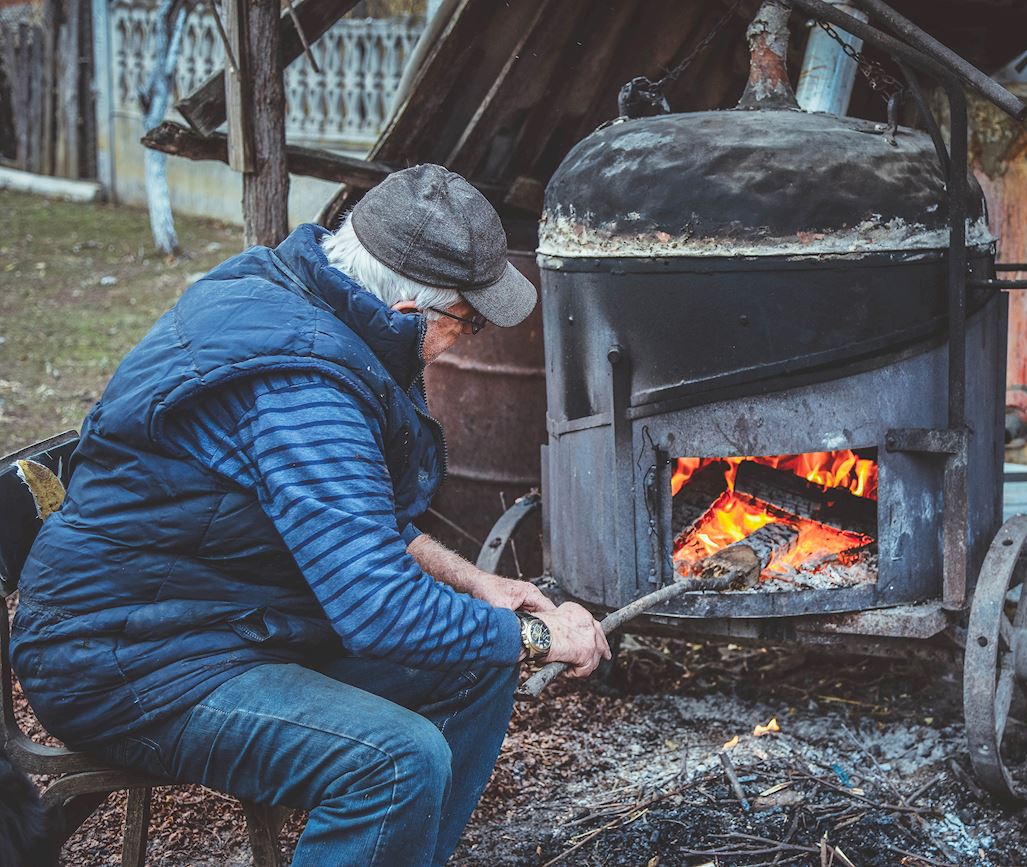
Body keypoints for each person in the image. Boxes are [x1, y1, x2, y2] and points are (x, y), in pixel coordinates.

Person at [11, 164, 610, 864]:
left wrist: (477, 584)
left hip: (209, 613)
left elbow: (344, 516)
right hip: (127, 658)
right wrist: (541, 637)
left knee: (475, 664)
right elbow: (379, 610)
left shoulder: (294, 291)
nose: (467, 339)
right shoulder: (303, 390)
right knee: (393, 762)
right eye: (469, 322)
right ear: (410, 311)